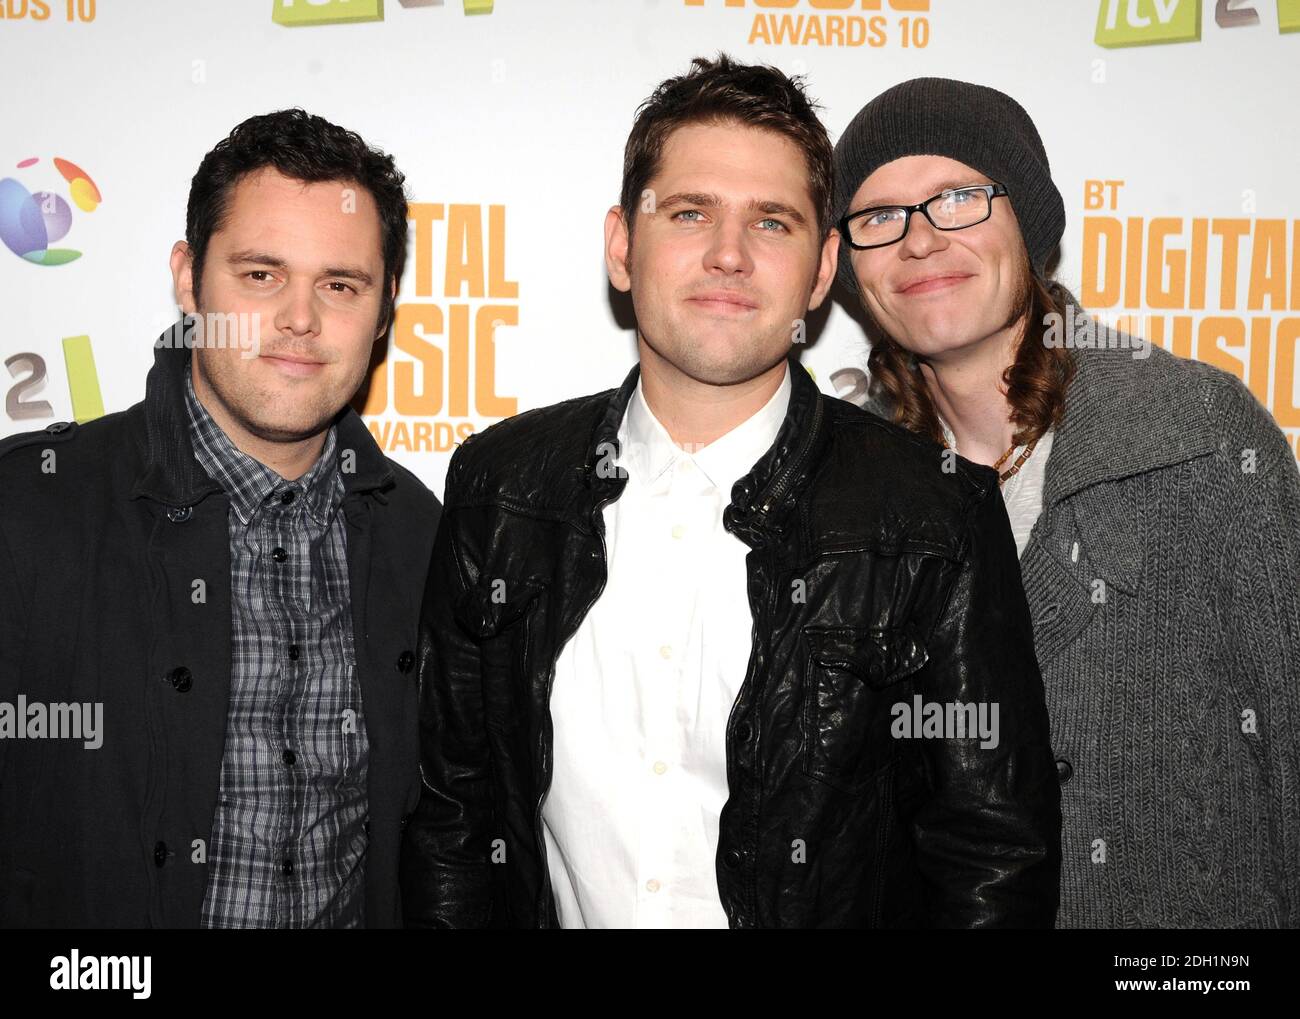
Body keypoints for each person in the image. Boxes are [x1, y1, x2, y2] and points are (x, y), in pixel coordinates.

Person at [401, 55, 1060, 929]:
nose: (727, 254)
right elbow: (455, 819)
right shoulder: (501, 487)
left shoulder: (934, 512)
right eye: (688, 212)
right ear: (621, 246)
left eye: (773, 223)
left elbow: (992, 858)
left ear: (823, 270)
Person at [832, 76, 1300, 927]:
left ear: (1030, 226)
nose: (920, 240)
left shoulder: (1194, 429)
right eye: (878, 217)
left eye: (959, 197)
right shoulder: (843, 491)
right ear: (848, 265)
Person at [0, 109, 439, 928]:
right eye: (261, 275)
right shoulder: (30, 514)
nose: (299, 320)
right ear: (187, 277)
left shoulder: (421, 537)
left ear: (383, 313)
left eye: (340, 285)